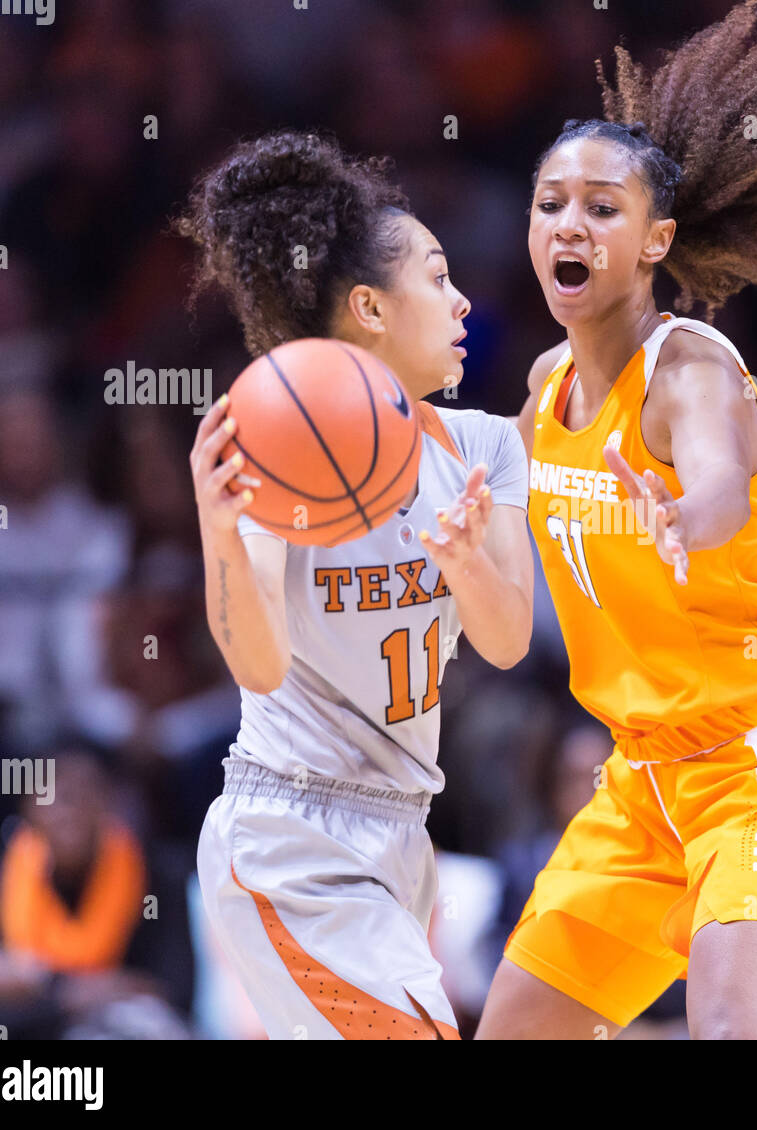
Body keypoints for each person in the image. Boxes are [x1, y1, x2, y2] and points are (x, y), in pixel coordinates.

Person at [477, 2, 757, 1040]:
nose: (569, 226)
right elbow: (502, 593)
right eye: (549, 203)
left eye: (602, 207)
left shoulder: (690, 368)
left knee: (734, 1029)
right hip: (639, 777)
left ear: (656, 238)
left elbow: (712, 479)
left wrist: (687, 510)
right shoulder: (541, 391)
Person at [176, 131, 533, 1040]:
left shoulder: (485, 446)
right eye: (439, 277)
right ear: (370, 307)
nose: (463, 303)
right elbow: (256, 668)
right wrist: (221, 534)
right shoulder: (280, 442)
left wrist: (463, 562)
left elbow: (507, 639)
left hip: (405, 834)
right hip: (291, 833)